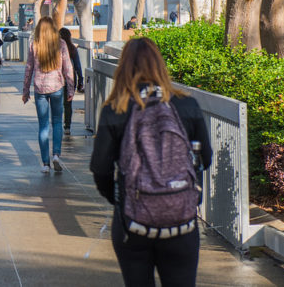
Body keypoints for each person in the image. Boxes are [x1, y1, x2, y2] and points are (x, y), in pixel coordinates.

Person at [90, 38, 212, 286]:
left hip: (133, 223)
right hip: (181, 222)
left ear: (123, 68)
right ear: (160, 66)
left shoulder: (115, 110)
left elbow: (100, 167)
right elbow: (205, 159)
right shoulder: (187, 105)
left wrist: (122, 198)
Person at [22, 17, 74, 173]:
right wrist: (70, 89)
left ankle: (45, 164)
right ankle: (56, 154)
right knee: (57, 122)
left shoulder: (34, 45)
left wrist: (25, 91)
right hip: (57, 87)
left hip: (40, 89)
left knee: (43, 126)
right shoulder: (62, 44)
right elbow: (68, 69)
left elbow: (29, 69)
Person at [58, 27, 85, 135]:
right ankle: (67, 126)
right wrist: (80, 81)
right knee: (68, 103)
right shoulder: (73, 49)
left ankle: (57, 123)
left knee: (58, 103)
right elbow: (78, 66)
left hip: (58, 78)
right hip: (70, 78)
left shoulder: (56, 48)